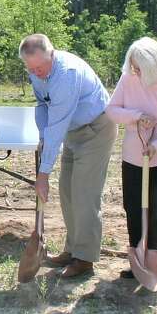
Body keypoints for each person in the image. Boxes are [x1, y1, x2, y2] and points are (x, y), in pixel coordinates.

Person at [20, 33, 117, 280]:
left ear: (52, 54)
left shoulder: (67, 75)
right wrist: (42, 136)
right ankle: (73, 249)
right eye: (31, 68)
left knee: (84, 193)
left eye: (40, 67)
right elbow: (43, 106)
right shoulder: (36, 71)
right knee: (67, 192)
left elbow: (58, 124)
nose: (36, 73)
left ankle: (85, 259)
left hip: (96, 129)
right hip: (72, 132)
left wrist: (43, 174)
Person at [104, 37, 157, 281]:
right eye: (133, 66)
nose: (135, 71)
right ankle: (139, 262)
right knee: (134, 207)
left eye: (140, 67)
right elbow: (112, 110)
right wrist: (137, 116)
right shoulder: (127, 79)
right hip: (133, 157)